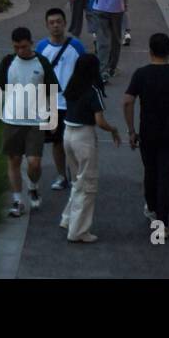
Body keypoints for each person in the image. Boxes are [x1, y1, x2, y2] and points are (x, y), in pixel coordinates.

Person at [123, 33, 169, 240]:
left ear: (150, 51)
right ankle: (162, 224)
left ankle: (152, 208)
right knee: (166, 177)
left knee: (150, 172)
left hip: (147, 132)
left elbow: (127, 101)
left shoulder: (141, 74)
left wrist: (131, 130)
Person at [0, 27, 59, 218]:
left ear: (31, 43)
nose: (21, 51)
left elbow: (52, 91)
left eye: (24, 47)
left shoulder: (42, 62)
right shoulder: (8, 62)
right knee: (14, 160)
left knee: (34, 162)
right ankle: (18, 200)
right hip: (12, 119)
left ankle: (33, 186)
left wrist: (53, 117)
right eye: (17, 47)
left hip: (36, 120)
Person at [59, 53, 120, 243]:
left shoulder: (72, 86)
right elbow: (99, 121)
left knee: (78, 180)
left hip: (67, 134)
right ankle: (78, 231)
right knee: (87, 184)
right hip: (84, 137)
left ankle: (68, 219)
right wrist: (113, 129)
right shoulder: (93, 90)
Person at [37, 8, 89, 191]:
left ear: (65, 23)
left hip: (73, 102)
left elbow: (87, 71)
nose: (56, 25)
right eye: (51, 22)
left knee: (75, 142)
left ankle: (76, 175)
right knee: (56, 142)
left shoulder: (77, 46)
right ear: (47, 25)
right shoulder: (41, 48)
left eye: (59, 22)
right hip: (50, 102)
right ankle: (61, 175)